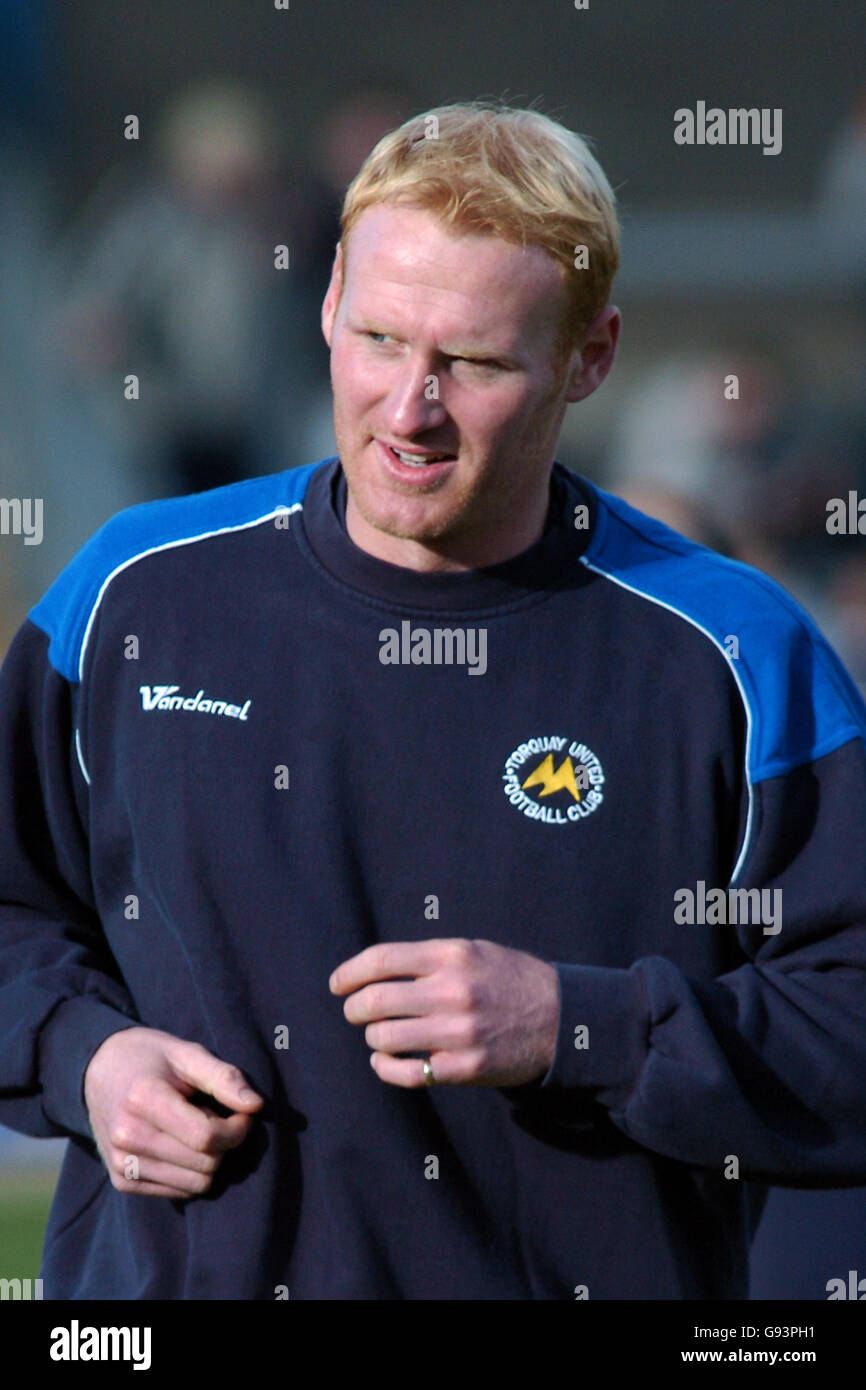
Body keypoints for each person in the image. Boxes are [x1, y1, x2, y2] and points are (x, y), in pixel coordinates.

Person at [1, 100, 865, 1301]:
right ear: (326, 305)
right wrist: (81, 1057)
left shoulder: (730, 650)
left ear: (590, 355)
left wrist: (581, 1026)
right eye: (379, 340)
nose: (408, 410)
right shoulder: (133, 591)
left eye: (471, 363)